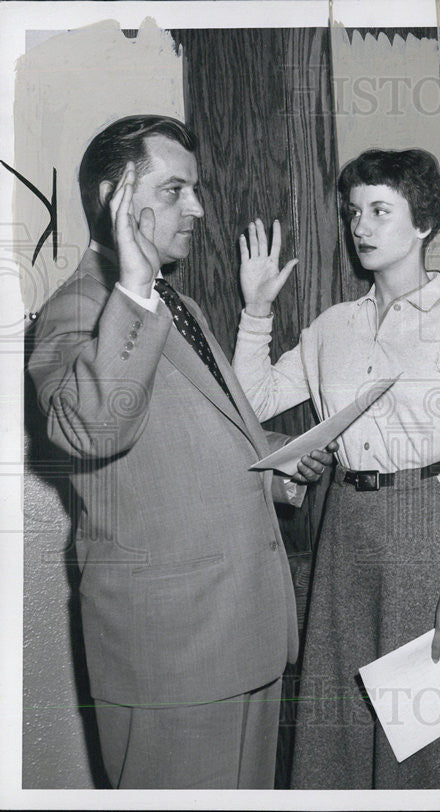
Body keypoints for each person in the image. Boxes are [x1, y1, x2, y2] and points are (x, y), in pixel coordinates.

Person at [26, 115, 333, 789]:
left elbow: (202, 435)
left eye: (194, 189)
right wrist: (134, 291)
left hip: (244, 631)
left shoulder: (178, 303)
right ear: (114, 199)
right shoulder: (77, 309)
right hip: (171, 655)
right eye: (174, 190)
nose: (196, 208)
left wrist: (277, 462)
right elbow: (92, 429)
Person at [232, 148, 440, 789]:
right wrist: (256, 311)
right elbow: (255, 402)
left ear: (424, 223)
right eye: (355, 212)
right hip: (346, 528)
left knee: (436, 735)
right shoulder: (333, 326)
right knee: (344, 729)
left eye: (380, 211)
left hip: (427, 528)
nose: (361, 226)